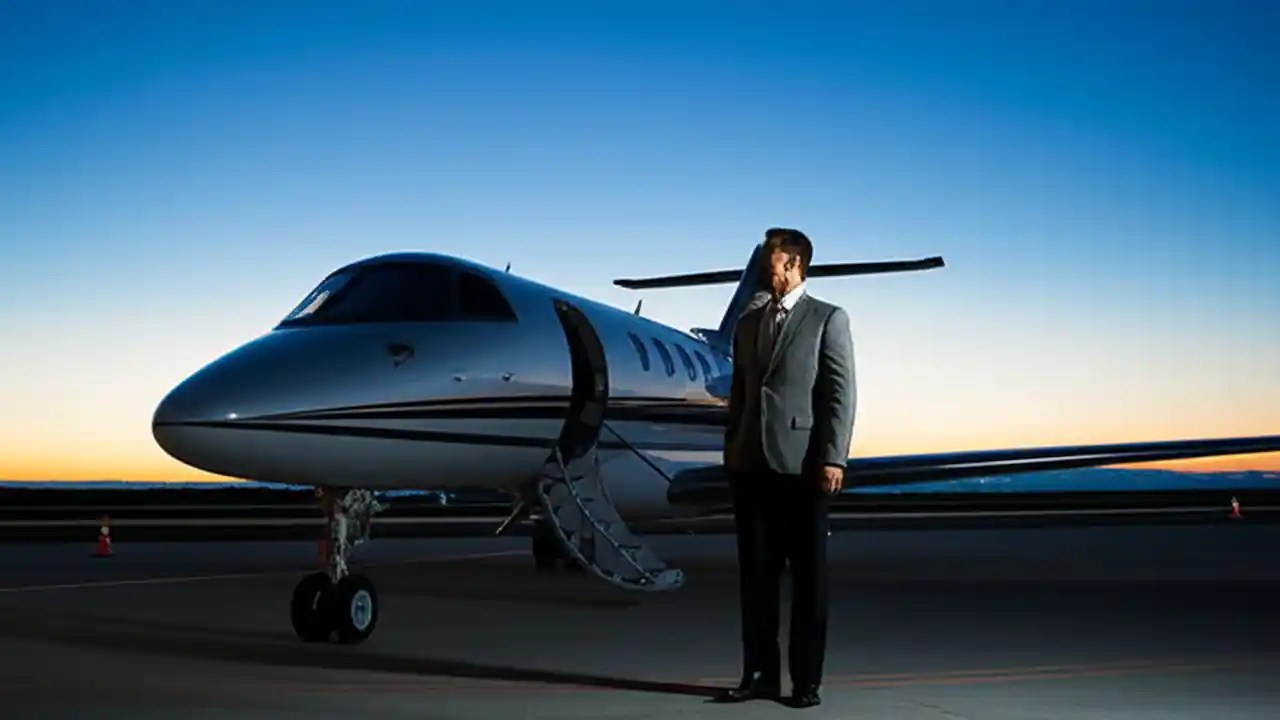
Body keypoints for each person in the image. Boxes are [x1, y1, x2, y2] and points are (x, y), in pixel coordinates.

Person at [716, 227, 856, 708]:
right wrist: (731, 447)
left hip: (803, 469)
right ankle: (758, 675)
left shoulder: (827, 319)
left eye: (770, 263)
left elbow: (840, 394)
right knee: (755, 579)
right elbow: (740, 393)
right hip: (751, 466)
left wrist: (834, 456)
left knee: (808, 582)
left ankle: (806, 682)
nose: (763, 270)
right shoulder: (749, 323)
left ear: (793, 263)